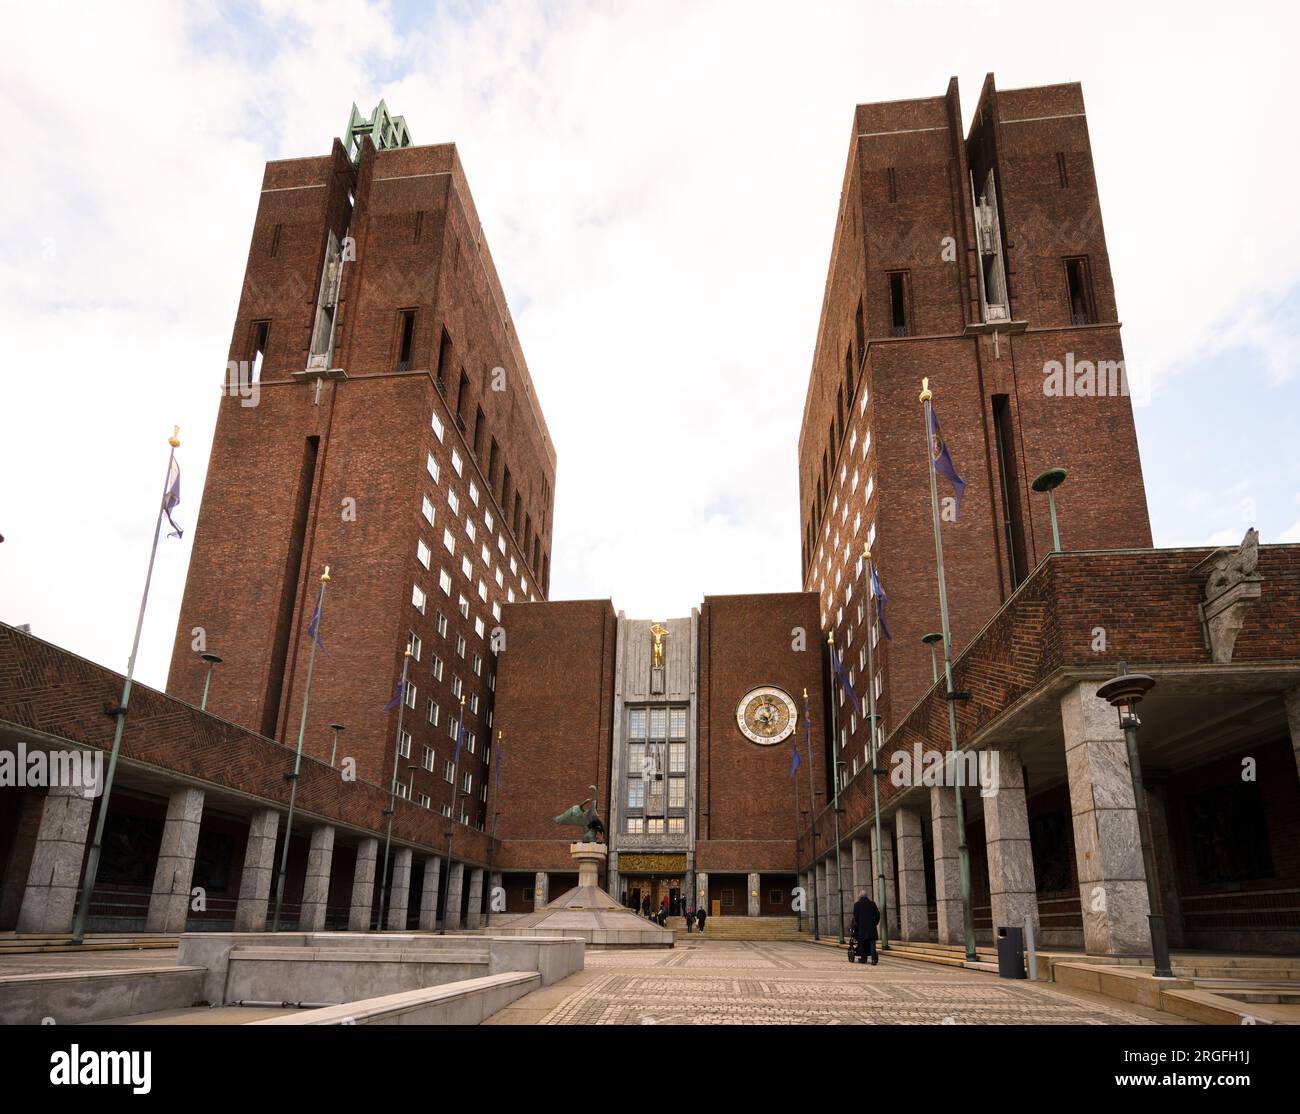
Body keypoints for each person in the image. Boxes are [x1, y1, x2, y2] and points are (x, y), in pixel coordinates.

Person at [852, 889, 880, 966]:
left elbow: (856, 916)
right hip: (872, 928)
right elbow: (877, 915)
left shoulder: (857, 905)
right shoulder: (872, 904)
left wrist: (858, 924)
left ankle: (863, 958)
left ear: (859, 896)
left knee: (863, 943)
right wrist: (875, 923)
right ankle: (874, 959)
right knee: (872, 944)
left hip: (862, 927)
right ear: (867, 896)